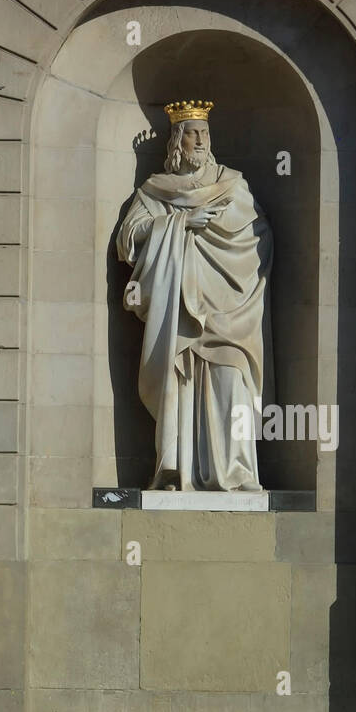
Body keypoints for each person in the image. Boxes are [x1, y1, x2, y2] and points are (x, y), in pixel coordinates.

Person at [115, 99, 274, 491]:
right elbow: (128, 239)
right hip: (177, 310)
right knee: (178, 388)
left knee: (230, 382)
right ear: (177, 141)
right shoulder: (156, 191)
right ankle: (175, 471)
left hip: (230, 310)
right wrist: (180, 223)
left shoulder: (234, 185)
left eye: (204, 133)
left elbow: (261, 238)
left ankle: (237, 474)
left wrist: (240, 279)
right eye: (191, 133)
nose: (199, 140)